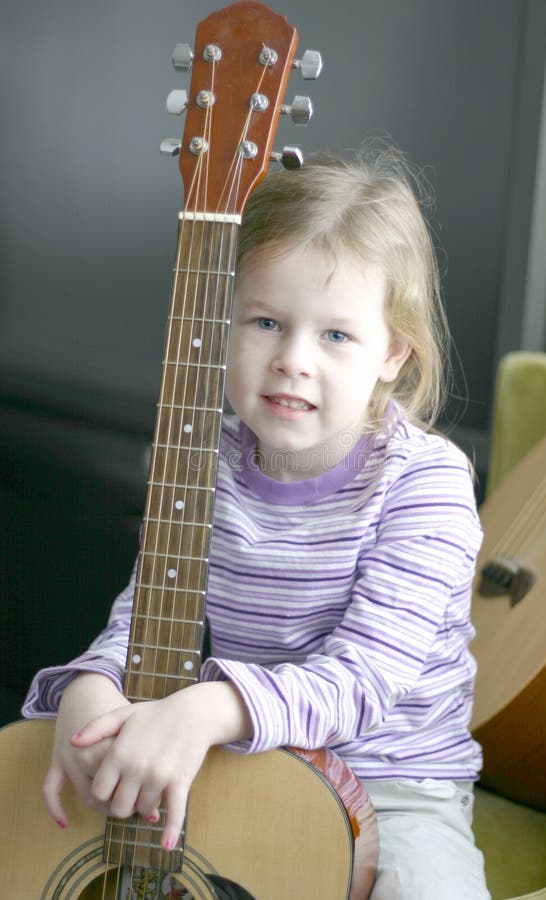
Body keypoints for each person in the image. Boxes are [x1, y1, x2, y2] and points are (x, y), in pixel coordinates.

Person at [23, 145, 490, 898]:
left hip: (391, 782)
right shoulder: (201, 459)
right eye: (266, 321)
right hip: (240, 754)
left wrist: (212, 708)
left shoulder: (425, 484)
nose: (292, 360)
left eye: (335, 335)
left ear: (393, 352)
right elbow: (146, 611)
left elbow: (363, 682)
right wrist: (92, 688)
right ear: (224, 322)